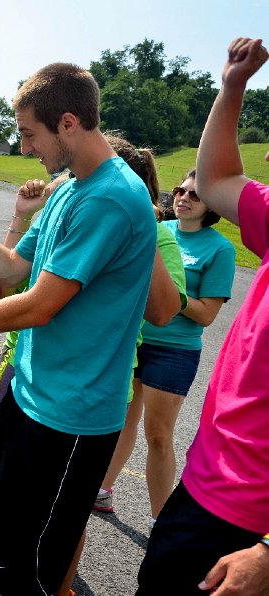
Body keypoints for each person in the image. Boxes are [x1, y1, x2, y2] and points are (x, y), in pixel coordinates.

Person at [0, 62, 156, 595]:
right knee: (0, 546)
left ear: (67, 123)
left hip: (73, 414)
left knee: (32, 570)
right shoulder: (67, 188)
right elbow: (15, 268)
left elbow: (39, 305)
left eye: (28, 133)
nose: (24, 147)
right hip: (31, 394)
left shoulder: (109, 197)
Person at [138, 37, 269, 596]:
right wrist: (233, 85)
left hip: (249, 518)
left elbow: (201, 313)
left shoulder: (215, 250)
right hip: (205, 481)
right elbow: (216, 178)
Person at [97, 168, 234, 526]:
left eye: (195, 195)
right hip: (135, 339)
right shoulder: (160, 231)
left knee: (158, 435)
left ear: (211, 206)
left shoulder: (220, 249)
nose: (184, 198)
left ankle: (161, 521)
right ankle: (103, 490)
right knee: (122, 420)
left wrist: (171, 295)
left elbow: (206, 315)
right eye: (180, 190)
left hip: (174, 351)